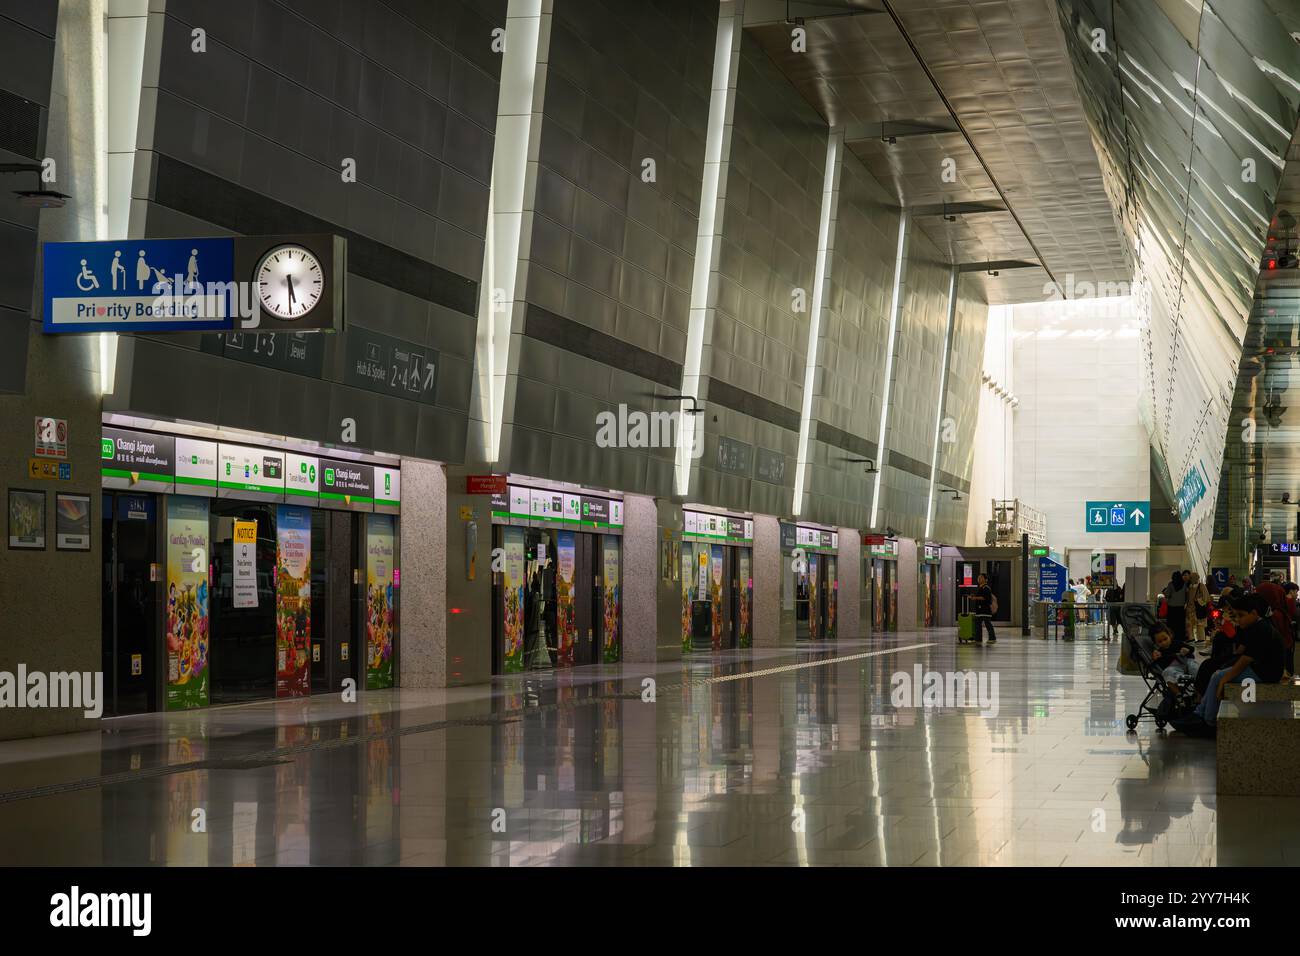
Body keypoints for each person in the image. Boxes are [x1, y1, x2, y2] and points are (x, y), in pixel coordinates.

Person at [1176, 594, 1285, 736]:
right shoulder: (1259, 626)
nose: (1238, 619)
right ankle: (1199, 714)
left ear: (1254, 613)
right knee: (1217, 674)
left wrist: (1225, 679)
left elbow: (1245, 659)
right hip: (1262, 670)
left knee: (1217, 677)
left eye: (1241, 615)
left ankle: (1209, 722)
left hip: (1265, 673)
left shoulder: (1261, 629)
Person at [1149, 621, 1198, 692]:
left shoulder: (1177, 643)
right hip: (1176, 669)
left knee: (1193, 666)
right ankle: (1178, 695)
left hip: (1187, 663)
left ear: (1170, 635)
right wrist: (1155, 658)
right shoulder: (1160, 653)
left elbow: (1191, 649)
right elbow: (1162, 664)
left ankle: (1198, 692)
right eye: (1160, 641)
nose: (1164, 642)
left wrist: (1187, 650)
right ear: (1155, 643)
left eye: (1165, 639)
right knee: (1167, 672)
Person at [968, 572, 996, 645]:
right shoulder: (981, 587)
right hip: (980, 610)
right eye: (978, 577)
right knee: (978, 625)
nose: (979, 579)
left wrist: (974, 598)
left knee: (988, 624)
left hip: (985, 610)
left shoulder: (986, 588)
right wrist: (974, 596)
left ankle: (992, 638)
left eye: (981, 577)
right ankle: (978, 639)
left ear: (985, 579)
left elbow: (985, 598)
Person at [1161, 570, 1187, 644]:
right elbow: (1186, 595)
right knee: (1180, 624)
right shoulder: (1184, 584)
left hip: (1172, 608)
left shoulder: (1171, 584)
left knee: (1172, 624)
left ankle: (1172, 637)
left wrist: (1165, 591)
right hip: (1181, 608)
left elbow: (1166, 594)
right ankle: (1181, 638)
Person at [1187, 572, 1210, 645]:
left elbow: (1206, 597)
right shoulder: (1190, 587)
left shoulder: (1201, 586)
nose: (1190, 579)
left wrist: (1198, 600)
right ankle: (1191, 638)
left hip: (1198, 609)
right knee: (1189, 624)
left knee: (1200, 624)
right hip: (1190, 609)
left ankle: (1201, 639)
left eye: (1191, 577)